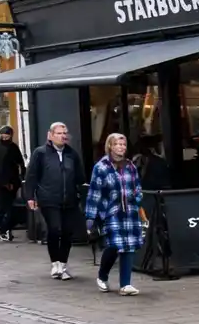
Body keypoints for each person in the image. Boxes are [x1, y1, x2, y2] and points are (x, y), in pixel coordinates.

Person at [24, 122, 87, 279]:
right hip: (49, 198)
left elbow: (80, 176)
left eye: (65, 133)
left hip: (69, 199)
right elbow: (31, 176)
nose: (63, 136)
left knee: (67, 231)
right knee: (54, 228)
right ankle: (55, 263)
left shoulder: (72, 154)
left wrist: (80, 190)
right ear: (50, 135)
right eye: (59, 133)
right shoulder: (40, 153)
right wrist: (30, 196)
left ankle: (63, 264)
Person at [84, 132, 143, 296]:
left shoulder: (130, 166)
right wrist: (90, 217)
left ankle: (125, 284)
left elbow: (137, 186)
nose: (121, 147)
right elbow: (94, 193)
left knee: (129, 247)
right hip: (111, 212)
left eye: (123, 145)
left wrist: (137, 198)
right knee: (114, 246)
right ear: (110, 146)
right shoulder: (101, 167)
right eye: (118, 144)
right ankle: (102, 276)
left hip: (130, 212)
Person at [0, 125, 26, 242]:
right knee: (7, 207)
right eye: (4, 134)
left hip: (12, 180)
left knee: (10, 207)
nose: (5, 136)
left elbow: (20, 162)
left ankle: (5, 230)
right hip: (1, 181)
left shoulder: (13, 147)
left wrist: (22, 175)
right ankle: (5, 230)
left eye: (7, 135)